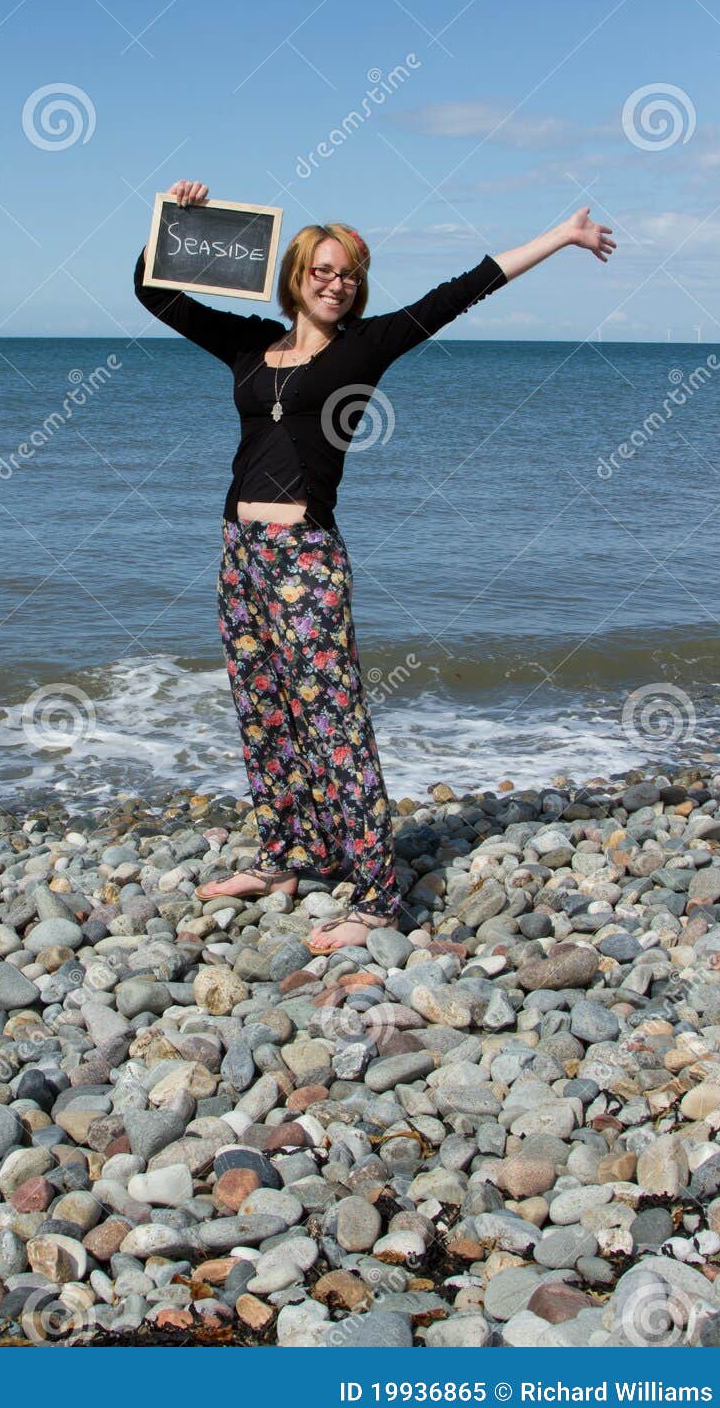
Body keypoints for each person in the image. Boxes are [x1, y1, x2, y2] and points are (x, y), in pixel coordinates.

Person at [134, 181, 615, 953]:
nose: (336, 283)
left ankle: (374, 892)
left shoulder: (368, 346)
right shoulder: (248, 345)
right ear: (295, 275)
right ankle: (287, 856)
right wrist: (179, 218)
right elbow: (154, 294)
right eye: (323, 270)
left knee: (333, 722)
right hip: (239, 555)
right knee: (266, 714)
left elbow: (466, 288)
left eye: (349, 274)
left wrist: (558, 237)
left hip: (306, 558)